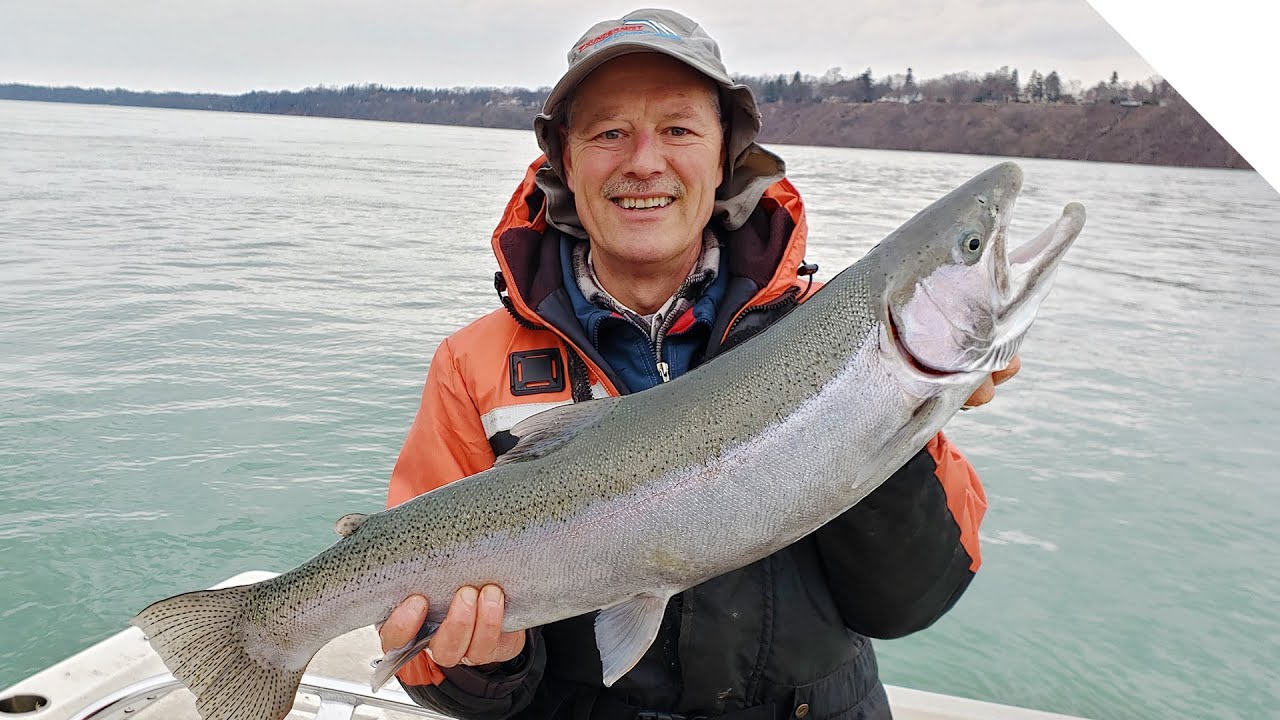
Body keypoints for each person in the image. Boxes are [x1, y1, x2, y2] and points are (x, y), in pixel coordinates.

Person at [380, 9, 1016, 720]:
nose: (644, 162)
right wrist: (482, 667)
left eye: (679, 129)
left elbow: (909, 601)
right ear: (563, 158)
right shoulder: (474, 365)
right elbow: (429, 668)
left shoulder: (836, 338)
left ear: (724, 156)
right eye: (609, 131)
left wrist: (906, 420)